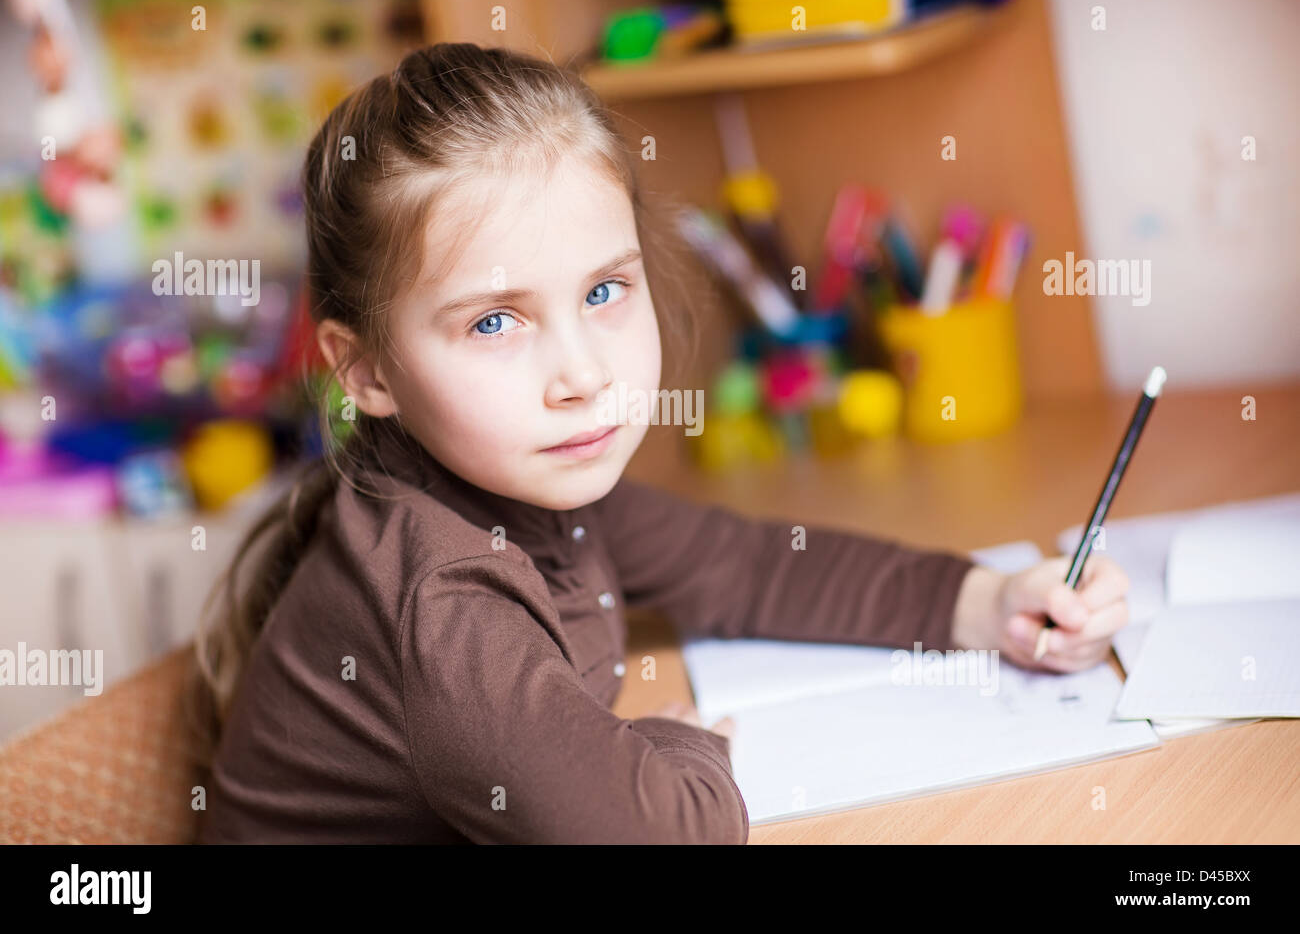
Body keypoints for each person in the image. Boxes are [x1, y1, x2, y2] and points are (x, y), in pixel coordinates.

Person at [188, 42, 1129, 844]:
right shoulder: (442, 598)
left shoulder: (527, 483)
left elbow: (754, 568)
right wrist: (680, 746)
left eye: (604, 293)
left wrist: (988, 603)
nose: (583, 375)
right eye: (493, 324)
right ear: (368, 373)